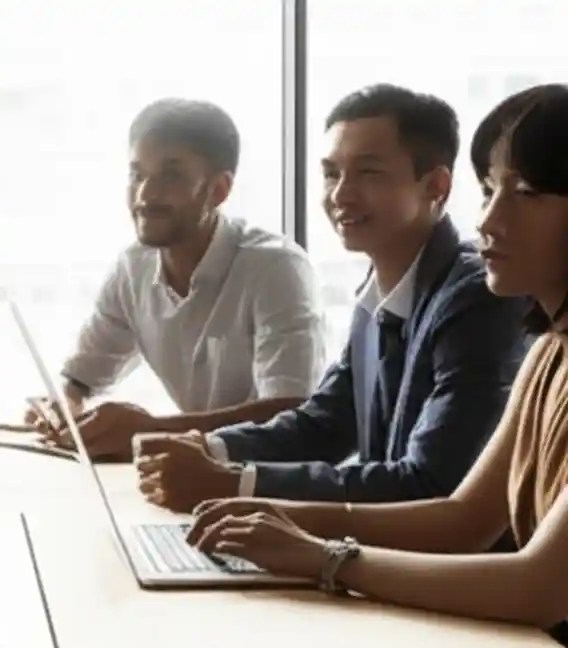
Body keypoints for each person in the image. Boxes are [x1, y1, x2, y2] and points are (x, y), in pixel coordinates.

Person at [188, 84, 568, 646]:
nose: (488, 220)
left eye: (527, 192)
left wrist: (328, 557)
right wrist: (267, 511)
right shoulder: (547, 352)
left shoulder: (468, 299)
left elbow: (541, 586)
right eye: (489, 190)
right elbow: (462, 517)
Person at [135, 85, 529, 512]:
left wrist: (238, 483)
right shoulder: (378, 295)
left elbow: (429, 482)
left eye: (368, 173)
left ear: (435, 185)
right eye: (331, 174)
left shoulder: (478, 297)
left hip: (448, 572)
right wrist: (202, 449)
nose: (341, 194)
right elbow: (324, 425)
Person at [30, 99, 326, 460]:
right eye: (137, 174)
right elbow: (79, 378)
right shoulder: (133, 268)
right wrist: (61, 406)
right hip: (197, 473)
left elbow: (291, 414)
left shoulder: (276, 268)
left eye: (170, 176)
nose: (145, 195)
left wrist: (152, 430)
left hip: (269, 483)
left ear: (219, 190)